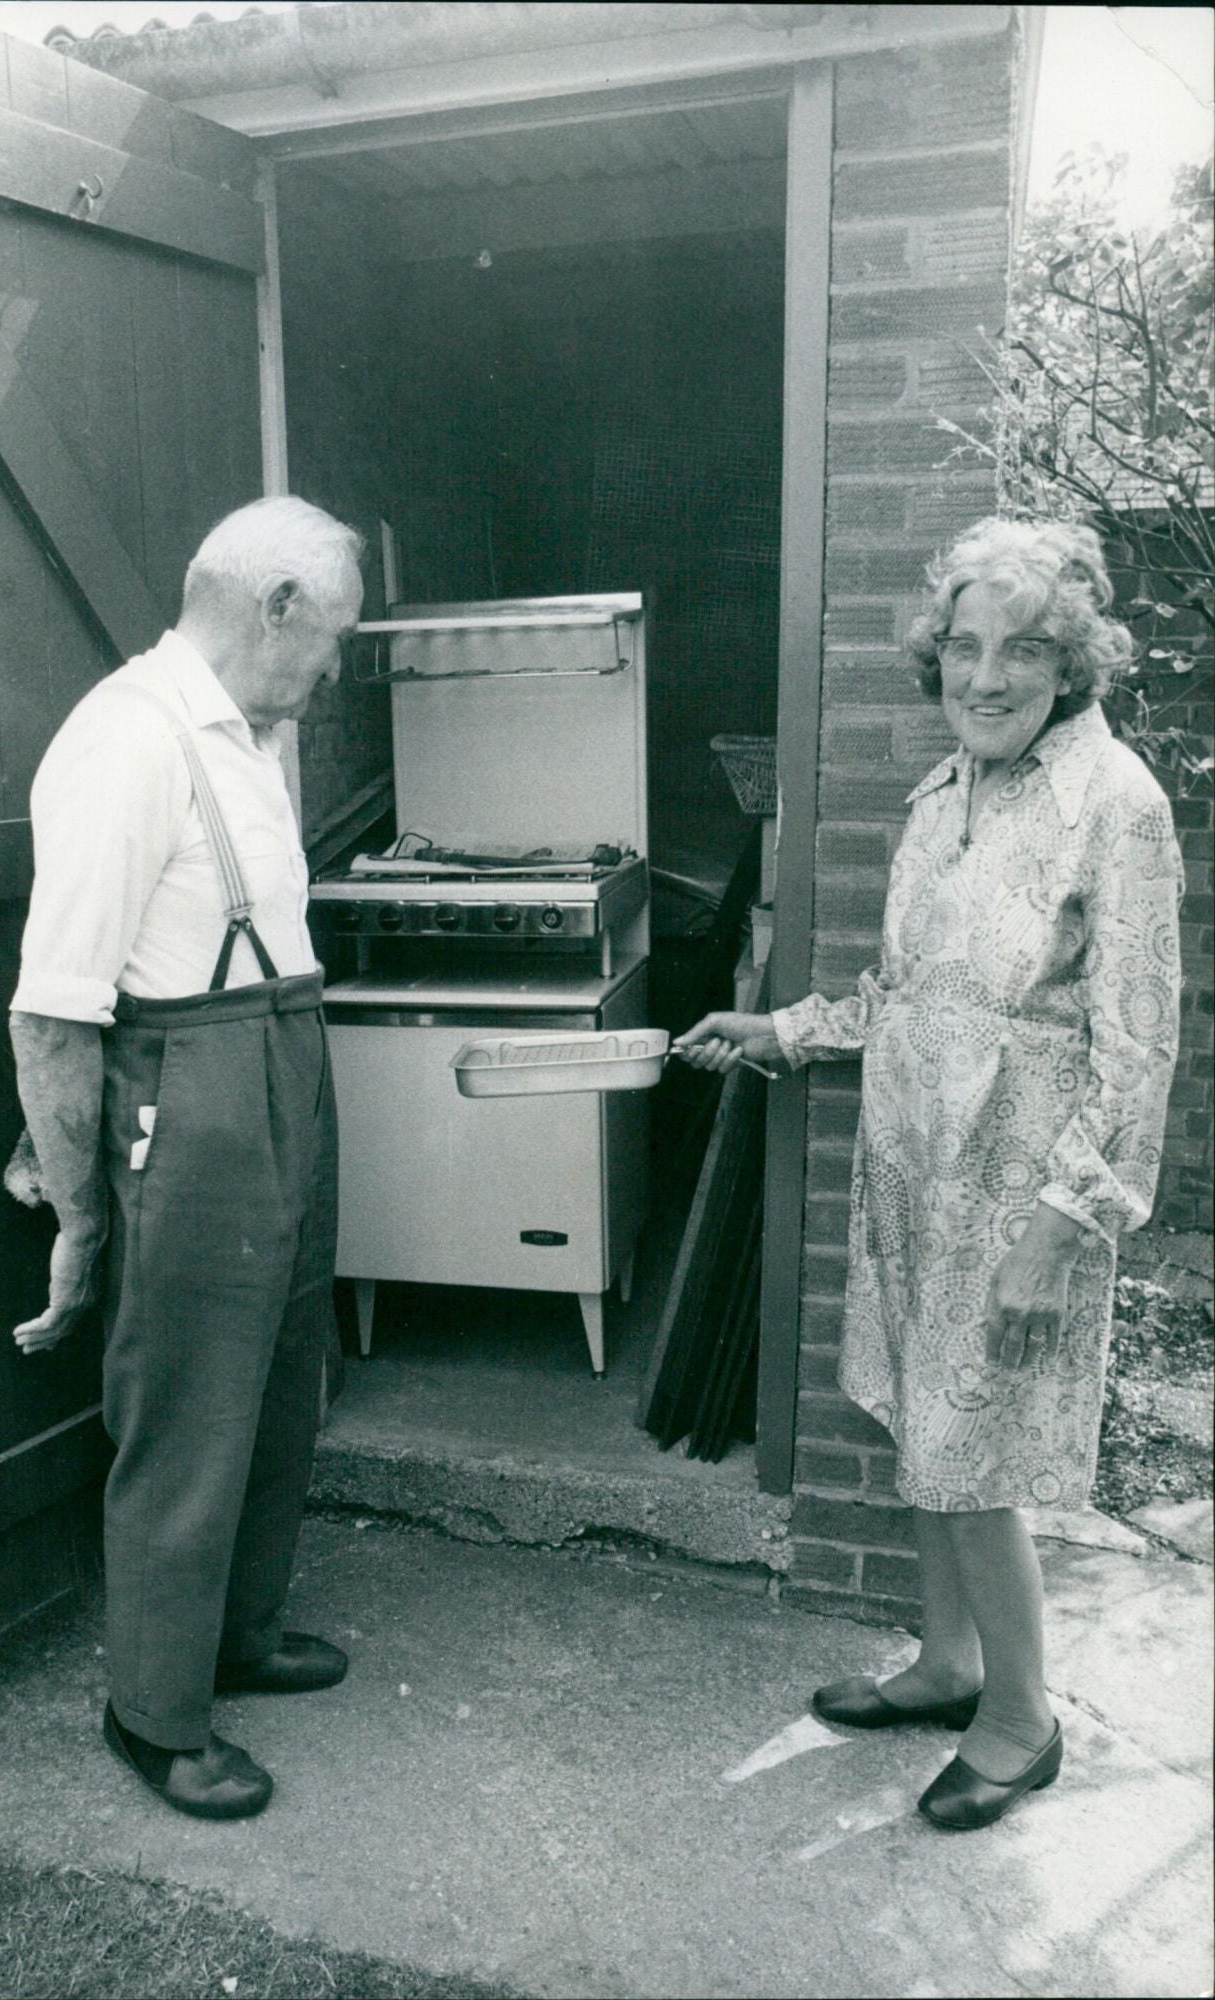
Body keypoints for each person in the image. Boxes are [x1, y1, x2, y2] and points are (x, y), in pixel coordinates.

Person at [676, 517, 1183, 1832]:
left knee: (979, 1460)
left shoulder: (1114, 805)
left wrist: (1056, 1234)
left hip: (1016, 1198)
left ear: (1070, 661)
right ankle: (951, 1664)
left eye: (1022, 650)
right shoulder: (945, 788)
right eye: (963, 647)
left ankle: (1020, 1719)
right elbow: (909, 993)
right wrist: (784, 1031)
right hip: (913, 1176)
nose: (986, 676)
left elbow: (1138, 1053)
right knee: (929, 1430)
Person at [7, 496, 365, 1820]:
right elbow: (54, 1012)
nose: (333, 669)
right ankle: (153, 1713)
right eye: (332, 637)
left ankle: (238, 1634)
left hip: (285, 1057)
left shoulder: (247, 736)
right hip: (192, 1089)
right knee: (188, 1399)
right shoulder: (128, 741)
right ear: (276, 607)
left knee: (279, 1373)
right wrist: (80, 1216)